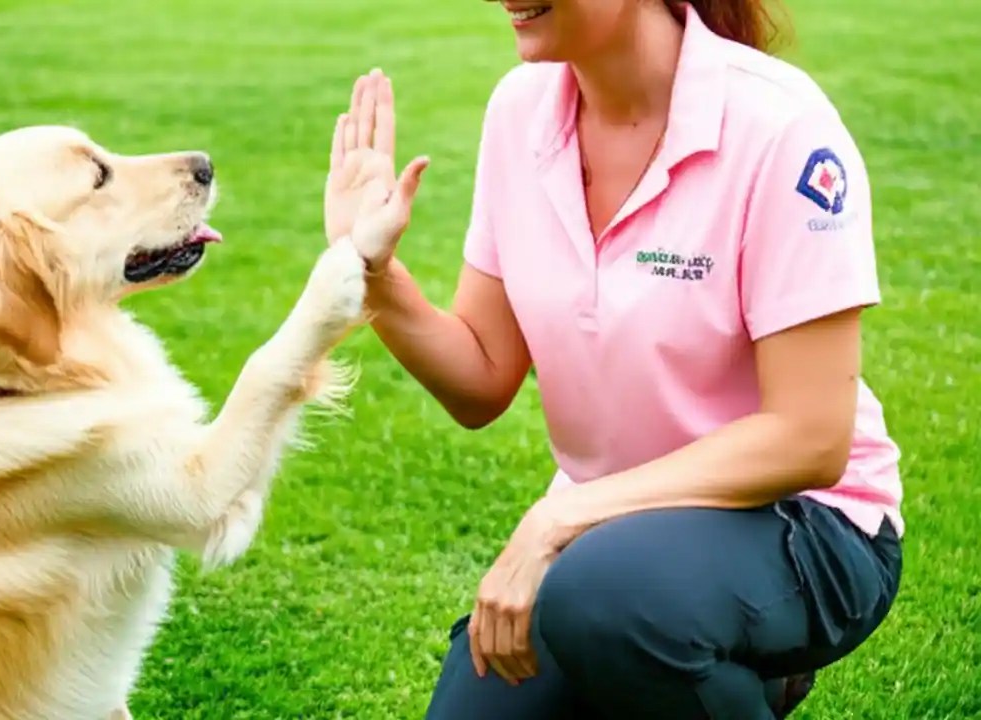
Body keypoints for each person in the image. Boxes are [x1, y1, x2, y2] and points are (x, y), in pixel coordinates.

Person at [322, 1, 904, 718]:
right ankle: (713, 667)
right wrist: (370, 269)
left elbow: (810, 438)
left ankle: (701, 644)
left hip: (808, 523)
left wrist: (560, 519)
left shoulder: (780, 126)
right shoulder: (520, 112)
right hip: (611, 542)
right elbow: (482, 378)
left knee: (600, 599)